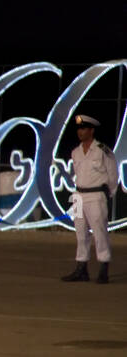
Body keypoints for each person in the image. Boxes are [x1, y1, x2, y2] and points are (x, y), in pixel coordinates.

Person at [60, 114, 118, 284]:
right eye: (79, 128)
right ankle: (81, 268)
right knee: (80, 232)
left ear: (91, 131)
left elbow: (113, 173)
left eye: (83, 128)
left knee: (99, 231)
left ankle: (103, 268)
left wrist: (109, 193)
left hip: (95, 195)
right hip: (78, 195)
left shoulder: (102, 150)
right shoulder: (75, 152)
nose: (80, 131)